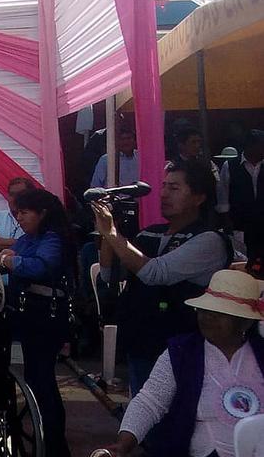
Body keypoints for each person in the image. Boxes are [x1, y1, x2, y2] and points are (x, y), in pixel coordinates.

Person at [94, 160, 232, 394]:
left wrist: (112, 233)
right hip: (141, 344)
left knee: (176, 411)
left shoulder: (209, 240)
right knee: (143, 409)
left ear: (199, 197)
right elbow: (109, 274)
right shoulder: (150, 233)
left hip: (181, 347)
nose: (164, 194)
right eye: (164, 186)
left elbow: (154, 273)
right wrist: (109, 231)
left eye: (174, 188)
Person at [97, 269, 264, 457]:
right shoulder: (181, 351)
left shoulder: (260, 353)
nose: (207, 317)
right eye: (204, 310)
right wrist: (124, 444)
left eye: (219, 313)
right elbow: (149, 402)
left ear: (245, 323)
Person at [0, 188, 75, 457]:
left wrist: (2, 258)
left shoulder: (53, 239)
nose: (18, 217)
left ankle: (54, 446)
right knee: (36, 379)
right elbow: (16, 255)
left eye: (24, 212)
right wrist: (4, 256)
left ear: (42, 213)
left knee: (42, 382)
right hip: (28, 316)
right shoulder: (29, 239)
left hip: (45, 320)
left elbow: (39, 267)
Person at [217, 129, 264, 260]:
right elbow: (223, 196)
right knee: (245, 258)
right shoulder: (230, 166)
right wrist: (226, 221)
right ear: (250, 146)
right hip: (240, 223)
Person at [0, 177, 36, 252]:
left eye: (20, 194)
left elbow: (38, 245)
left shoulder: (36, 219)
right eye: (12, 194)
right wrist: (26, 244)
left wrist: (0, 242)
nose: (15, 199)